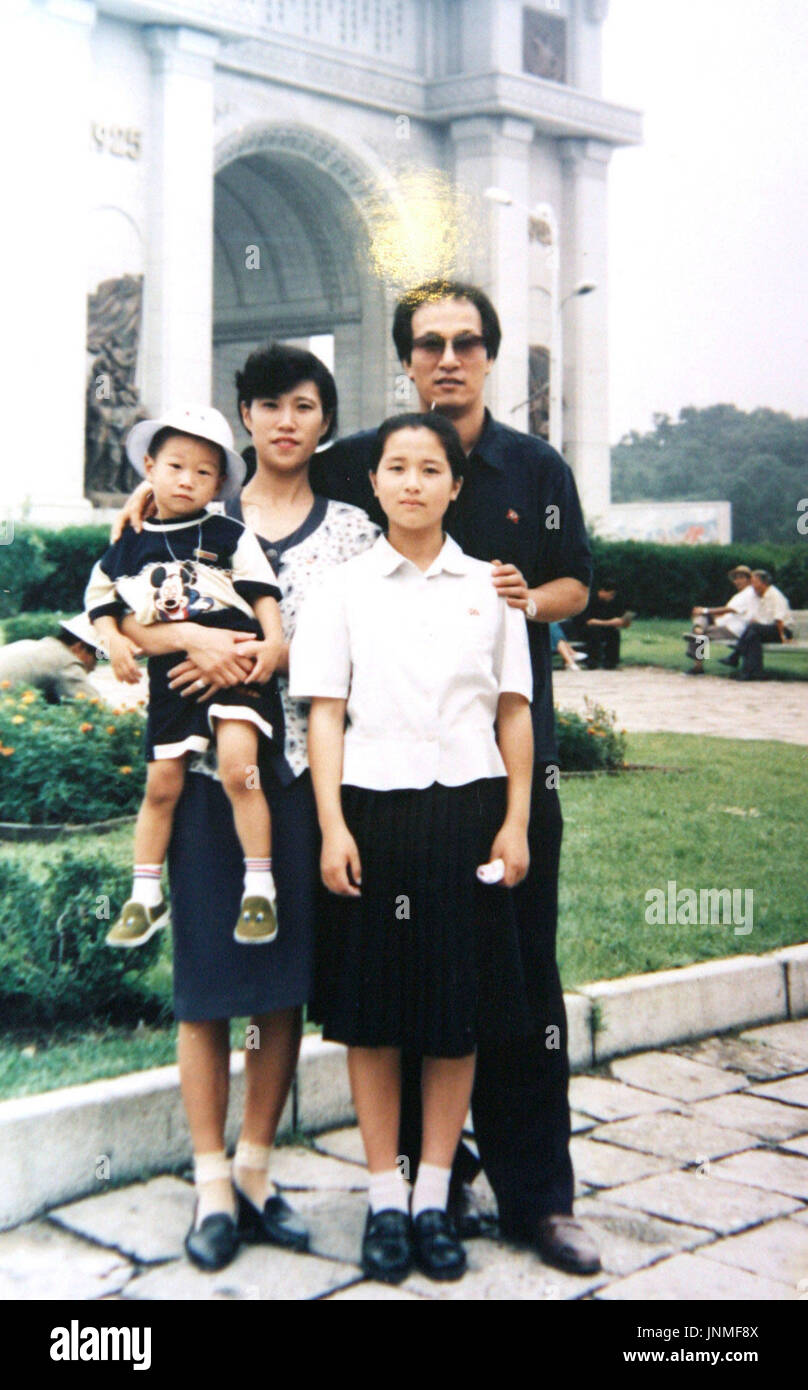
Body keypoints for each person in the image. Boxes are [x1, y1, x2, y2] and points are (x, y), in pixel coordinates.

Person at [310, 279, 599, 1274]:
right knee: (398, 983)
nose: (447, 357)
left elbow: (578, 584)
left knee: (514, 980)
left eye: (465, 341)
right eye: (427, 342)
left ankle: (538, 1196)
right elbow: (261, 494)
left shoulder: (534, 465)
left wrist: (525, 599)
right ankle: (425, 1187)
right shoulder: (359, 462)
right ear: (405, 359)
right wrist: (153, 500)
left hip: (502, 768)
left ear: (489, 354)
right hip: (387, 784)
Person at [112, 345, 378, 1271]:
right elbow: (120, 609)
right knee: (207, 985)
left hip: (301, 780)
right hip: (202, 777)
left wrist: (271, 654)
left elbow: (370, 638)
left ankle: (260, 1174)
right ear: (245, 421)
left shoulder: (353, 528)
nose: (285, 422)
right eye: (267, 405)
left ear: (323, 420)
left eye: (303, 405)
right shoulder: (192, 517)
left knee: (276, 987)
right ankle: (211, 1182)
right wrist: (187, 633)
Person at [290, 412, 534, 1284]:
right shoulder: (344, 588)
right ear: (377, 482)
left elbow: (513, 709)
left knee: (455, 1013)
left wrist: (514, 822)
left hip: (468, 813)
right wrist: (332, 826)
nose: (413, 483)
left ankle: (435, 1196)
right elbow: (324, 709)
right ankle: (385, 1200)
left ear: (455, 486)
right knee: (374, 1016)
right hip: (374, 813)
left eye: (432, 469)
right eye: (397, 467)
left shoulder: (491, 589)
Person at [87, 406, 285, 950]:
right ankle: (145, 895)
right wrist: (113, 641)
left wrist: (272, 642)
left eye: (203, 472)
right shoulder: (127, 545)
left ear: (219, 482)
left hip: (239, 661)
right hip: (172, 673)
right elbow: (99, 603)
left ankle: (259, 888)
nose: (187, 479)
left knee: (238, 768)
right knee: (161, 784)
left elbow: (262, 591)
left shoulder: (229, 533)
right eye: (175, 466)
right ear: (149, 467)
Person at [0, 614, 104, 702]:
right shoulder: (65, 661)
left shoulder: (35, 646)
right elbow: (93, 706)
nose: (94, 667)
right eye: (96, 658)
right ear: (80, 647)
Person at [719, 569, 794, 680]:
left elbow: (779, 619)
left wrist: (783, 637)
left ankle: (732, 657)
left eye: (754, 582)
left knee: (701, 635)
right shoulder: (762, 596)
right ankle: (752, 673)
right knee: (752, 637)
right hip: (767, 630)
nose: (752, 586)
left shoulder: (775, 595)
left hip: (781, 630)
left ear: (763, 583)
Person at [685, 564, 758, 675]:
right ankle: (698, 628)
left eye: (741, 577)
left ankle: (698, 665)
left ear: (748, 579)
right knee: (702, 618)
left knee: (700, 632)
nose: (737, 581)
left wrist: (706, 610)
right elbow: (729, 613)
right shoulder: (740, 595)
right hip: (726, 626)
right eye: (735, 578)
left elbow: (729, 610)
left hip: (734, 630)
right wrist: (707, 613)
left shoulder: (749, 593)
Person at [578, 579, 632, 670]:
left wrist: (623, 622)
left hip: (602, 627)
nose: (612, 597)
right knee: (594, 631)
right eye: (611, 594)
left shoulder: (610, 603)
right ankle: (592, 661)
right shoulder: (590, 600)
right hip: (584, 628)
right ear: (602, 591)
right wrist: (610, 622)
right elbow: (589, 621)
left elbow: (619, 620)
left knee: (614, 632)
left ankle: (611, 662)